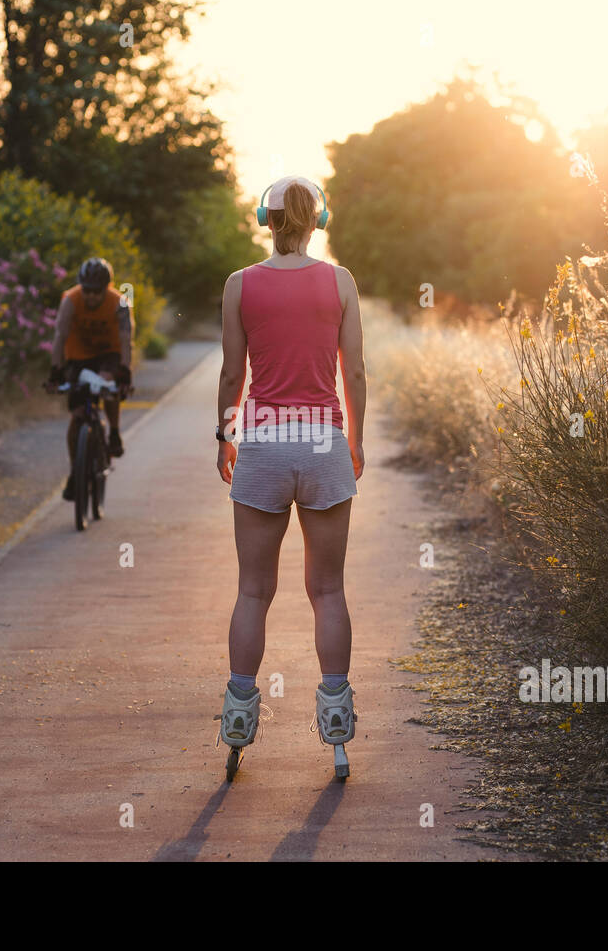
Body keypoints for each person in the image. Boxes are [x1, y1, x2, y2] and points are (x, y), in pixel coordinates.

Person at [213, 175, 367, 778]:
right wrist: (354, 438)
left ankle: (238, 718)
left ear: (265, 219)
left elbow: (232, 374)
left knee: (255, 590)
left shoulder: (239, 285)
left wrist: (226, 434)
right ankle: (335, 724)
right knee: (326, 591)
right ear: (317, 220)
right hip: (323, 440)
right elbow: (353, 369)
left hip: (265, 446)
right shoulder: (340, 281)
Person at [48, 258, 133, 501]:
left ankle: (114, 431)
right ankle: (76, 470)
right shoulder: (70, 300)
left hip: (109, 354)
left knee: (109, 384)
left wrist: (125, 371)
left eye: (97, 291)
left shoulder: (119, 303)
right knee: (77, 415)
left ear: (107, 288)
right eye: (86, 290)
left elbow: (126, 340)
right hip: (79, 357)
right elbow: (60, 335)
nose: (91, 296)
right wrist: (56, 370)